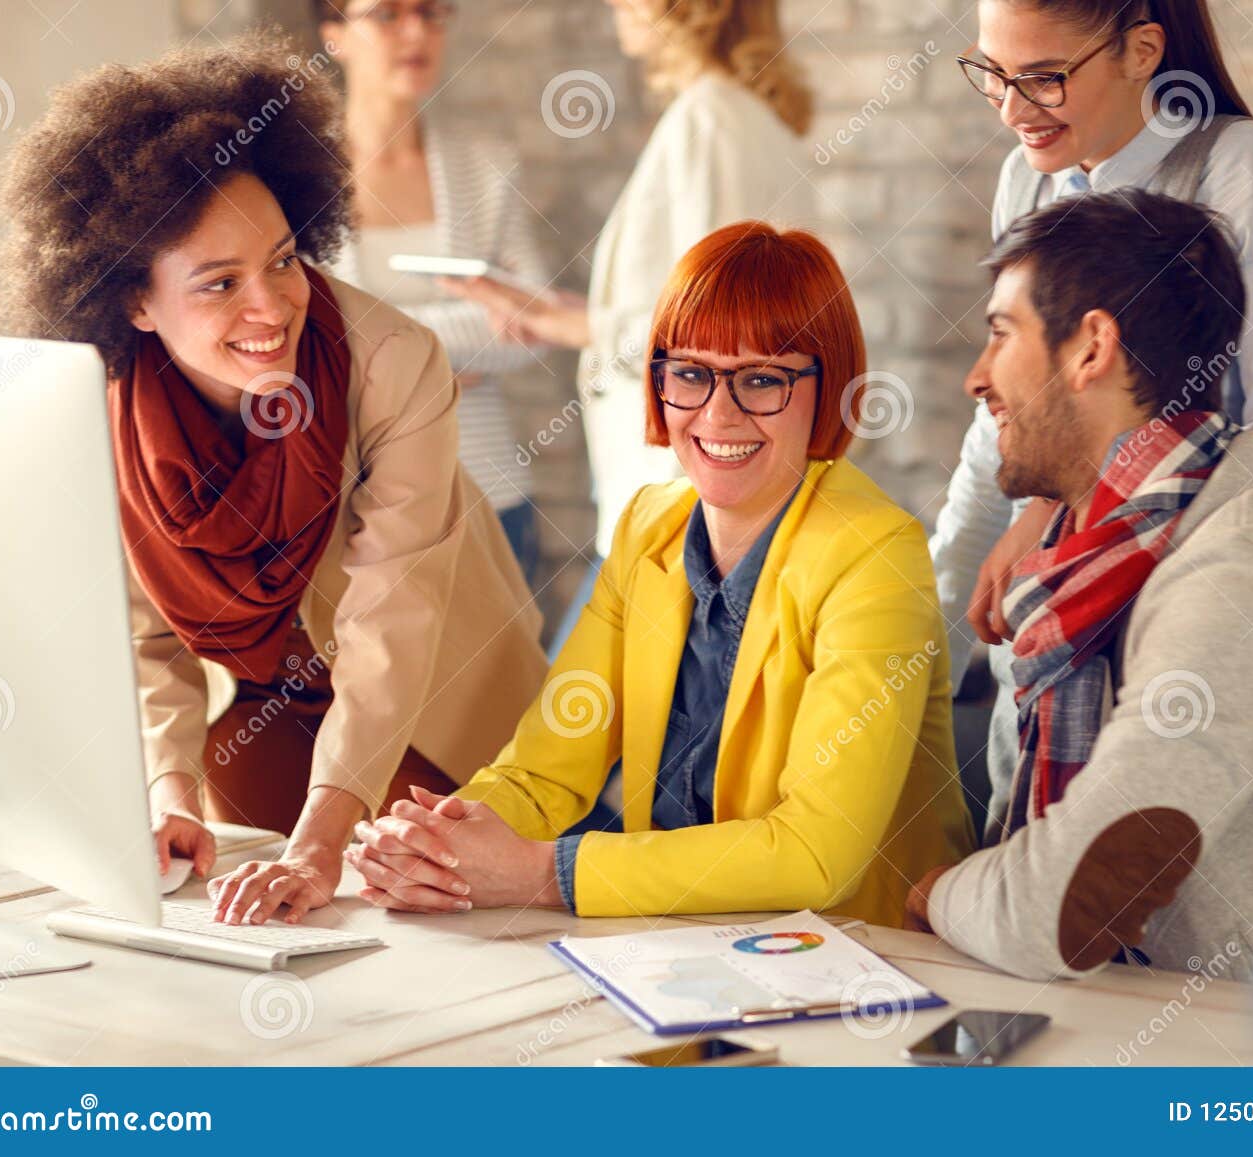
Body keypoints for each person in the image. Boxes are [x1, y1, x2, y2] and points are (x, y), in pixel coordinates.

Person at [0, 33, 547, 926]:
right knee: (236, 932)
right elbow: (143, 633)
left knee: (429, 928)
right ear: (135, 301)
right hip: (251, 703)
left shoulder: (395, 361)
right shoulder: (101, 402)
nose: (271, 306)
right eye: (219, 284)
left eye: (284, 259)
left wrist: (325, 838)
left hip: (426, 698)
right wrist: (168, 788)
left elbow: (390, 622)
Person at [344, 222, 975, 927]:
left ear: (827, 387)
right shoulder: (651, 524)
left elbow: (816, 853)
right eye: (691, 374)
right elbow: (546, 766)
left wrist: (543, 872)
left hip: (858, 962)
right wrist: (445, 843)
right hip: (676, 943)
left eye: (762, 379)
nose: (717, 413)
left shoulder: (876, 553)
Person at [905, 189, 1253, 983]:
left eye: (1001, 336)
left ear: (1091, 346)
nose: (977, 378)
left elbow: (1060, 910)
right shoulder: (1098, 562)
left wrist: (938, 896)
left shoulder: (1240, 582)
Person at [934, 0, 1253, 836]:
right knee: (1025, 879)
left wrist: (1069, 521)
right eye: (992, 74)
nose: (1013, 109)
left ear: (1142, 50)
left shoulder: (1240, 169)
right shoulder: (1028, 177)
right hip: (1037, 627)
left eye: (1044, 78)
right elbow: (1006, 422)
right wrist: (927, 643)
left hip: (1176, 634)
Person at [451, 0, 816, 656]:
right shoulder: (742, 117)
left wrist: (575, 325)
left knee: (565, 729)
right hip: (691, 502)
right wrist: (574, 315)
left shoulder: (707, 118)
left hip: (675, 506)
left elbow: (715, 330)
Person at [316, 0, 552, 584]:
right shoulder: (300, 180)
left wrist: (379, 351)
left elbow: (538, 322)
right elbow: (308, 341)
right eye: (387, 15)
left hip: (489, 487)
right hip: (356, 501)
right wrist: (456, 341)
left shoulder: (486, 168)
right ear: (334, 35)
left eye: (429, 10)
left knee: (510, 673)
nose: (416, 30)